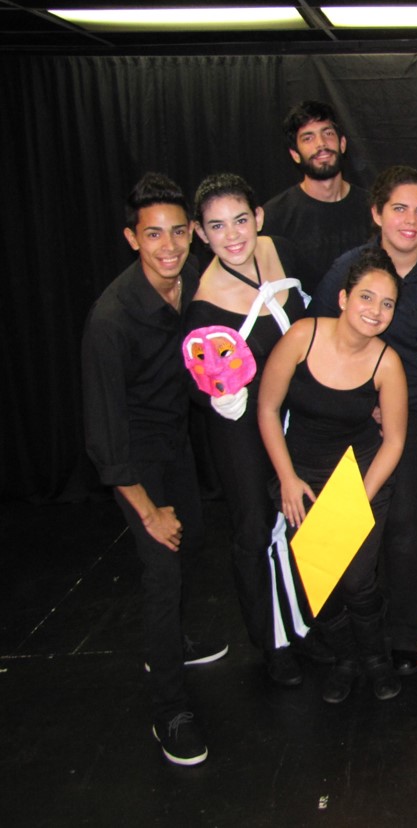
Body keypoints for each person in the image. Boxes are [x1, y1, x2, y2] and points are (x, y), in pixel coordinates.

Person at [81, 173, 227, 766]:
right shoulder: (110, 320)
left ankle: (176, 643)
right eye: (152, 235)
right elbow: (104, 438)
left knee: (190, 547)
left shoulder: (191, 280)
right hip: (133, 458)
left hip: (176, 442)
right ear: (130, 238)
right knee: (162, 573)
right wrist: (147, 508)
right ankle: (170, 709)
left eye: (177, 232)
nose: (168, 246)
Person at [310, 165, 417, 675]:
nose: (410, 220)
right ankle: (353, 630)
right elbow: (323, 337)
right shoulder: (350, 269)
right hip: (367, 415)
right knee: (371, 524)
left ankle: (409, 633)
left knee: (413, 525)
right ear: (376, 213)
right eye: (399, 208)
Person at [257, 249, 408, 704]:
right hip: (300, 478)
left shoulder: (388, 363)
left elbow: (395, 441)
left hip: (360, 480)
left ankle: (376, 658)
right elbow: (266, 408)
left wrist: (356, 500)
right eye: (366, 297)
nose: (375, 311)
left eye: (387, 304)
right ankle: (344, 659)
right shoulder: (303, 335)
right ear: (343, 298)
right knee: (321, 580)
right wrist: (285, 478)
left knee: (359, 581)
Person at [183, 173, 309, 687]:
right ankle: (272, 640)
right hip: (240, 427)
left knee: (304, 517)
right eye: (216, 226)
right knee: (256, 527)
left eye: (240, 220)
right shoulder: (204, 302)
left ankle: (309, 620)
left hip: (298, 415)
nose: (232, 236)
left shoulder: (280, 251)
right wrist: (219, 396)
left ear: (258, 217)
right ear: (200, 233)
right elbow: (196, 378)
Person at [262, 100, 370, 289]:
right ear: (295, 154)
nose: (321, 144)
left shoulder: (374, 209)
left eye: (327, 133)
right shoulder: (273, 218)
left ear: (342, 144)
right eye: (308, 138)